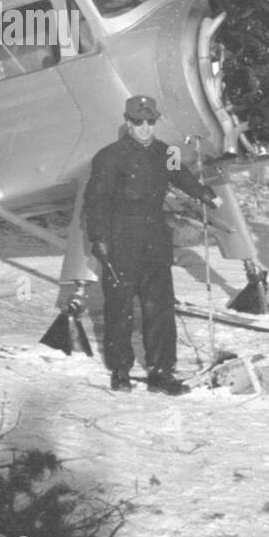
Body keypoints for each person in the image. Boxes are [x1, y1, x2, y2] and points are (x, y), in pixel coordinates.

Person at [83, 95, 220, 395]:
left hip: (156, 240)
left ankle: (161, 371)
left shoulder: (166, 152)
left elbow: (180, 175)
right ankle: (120, 370)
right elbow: (96, 202)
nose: (144, 127)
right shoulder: (110, 156)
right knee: (120, 308)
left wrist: (201, 193)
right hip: (121, 241)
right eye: (137, 122)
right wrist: (100, 239)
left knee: (160, 308)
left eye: (149, 122)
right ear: (128, 121)